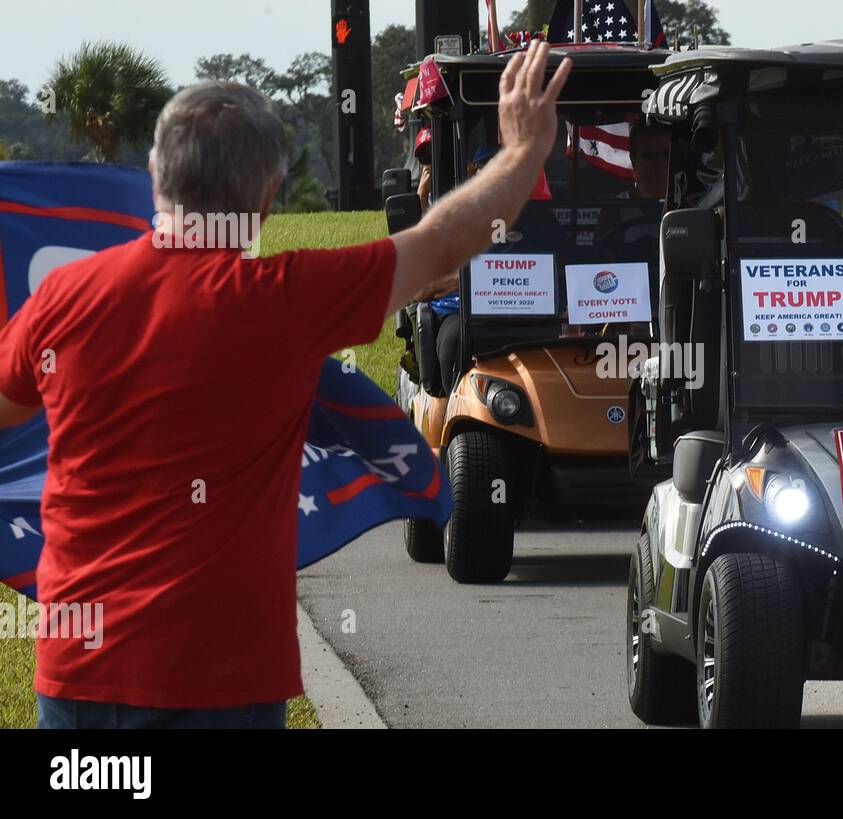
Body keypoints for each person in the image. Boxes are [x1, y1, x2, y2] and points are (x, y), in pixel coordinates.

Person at [0, 40, 571, 728]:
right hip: (223, 683)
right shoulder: (285, 299)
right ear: (268, 197)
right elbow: (445, 242)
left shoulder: (62, 295)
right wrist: (522, 150)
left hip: (76, 674)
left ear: (156, 175)